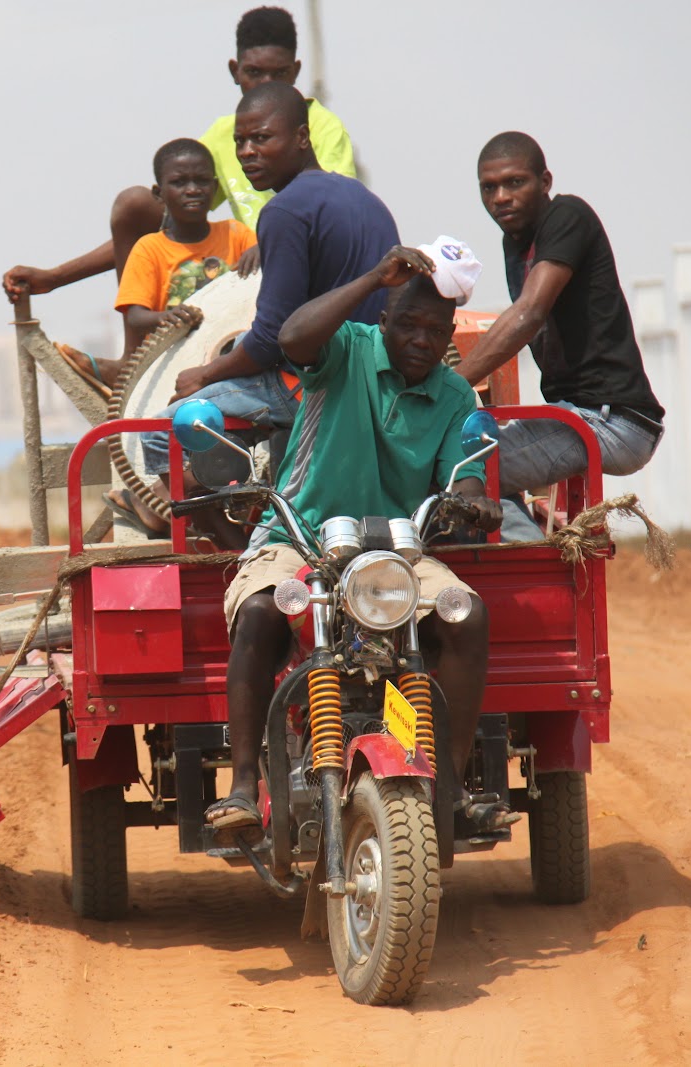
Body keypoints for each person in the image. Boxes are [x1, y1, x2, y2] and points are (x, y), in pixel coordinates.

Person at [207, 243, 511, 835]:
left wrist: (474, 500)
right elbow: (293, 338)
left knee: (465, 617)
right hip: (299, 536)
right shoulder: (345, 348)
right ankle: (244, 784)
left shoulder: (453, 395)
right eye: (408, 324)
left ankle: (448, 786)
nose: (421, 339)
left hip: (398, 551)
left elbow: (465, 475)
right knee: (262, 613)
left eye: (434, 329)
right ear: (384, 320)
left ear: (450, 332)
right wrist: (374, 274)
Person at [111, 81, 398, 533]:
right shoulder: (367, 201)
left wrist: (204, 375)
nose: (247, 152)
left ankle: (214, 535)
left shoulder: (284, 212)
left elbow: (270, 340)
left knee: (159, 430)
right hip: (377, 378)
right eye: (240, 141)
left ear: (302, 138)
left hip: (315, 384)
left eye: (261, 138)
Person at [0, 6, 356, 368]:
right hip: (238, 273)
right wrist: (55, 278)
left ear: (295, 72)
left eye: (279, 75)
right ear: (235, 72)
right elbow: (169, 216)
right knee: (135, 203)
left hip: (297, 266)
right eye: (254, 73)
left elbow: (338, 208)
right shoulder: (225, 135)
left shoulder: (321, 128)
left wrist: (272, 241)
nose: (266, 86)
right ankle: (134, 359)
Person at [455, 132, 665, 542]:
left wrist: (450, 382)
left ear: (545, 182)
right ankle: (520, 535)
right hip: (577, 412)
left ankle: (526, 555)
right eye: (489, 187)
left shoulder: (567, 217)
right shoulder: (514, 242)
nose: (500, 197)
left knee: (460, 465)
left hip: (611, 419)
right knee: (469, 443)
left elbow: (528, 314)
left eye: (515, 182)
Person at [111, 139, 257, 372]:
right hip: (170, 365)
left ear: (216, 187)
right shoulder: (149, 248)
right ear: (159, 194)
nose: (192, 190)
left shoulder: (236, 234)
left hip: (230, 357)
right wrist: (167, 318)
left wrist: (263, 248)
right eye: (179, 182)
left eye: (201, 181)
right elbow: (136, 317)